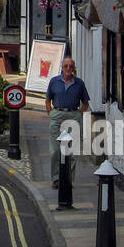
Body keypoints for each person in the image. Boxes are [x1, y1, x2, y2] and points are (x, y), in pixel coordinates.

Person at [45, 56, 89, 189]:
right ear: (62, 68)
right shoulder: (54, 81)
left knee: (73, 151)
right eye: (66, 66)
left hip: (73, 115)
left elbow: (85, 103)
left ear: (74, 69)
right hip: (57, 115)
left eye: (71, 66)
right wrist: (51, 113)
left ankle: (68, 178)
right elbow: (48, 100)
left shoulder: (79, 83)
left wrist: (79, 114)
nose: (68, 68)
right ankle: (56, 178)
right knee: (55, 151)